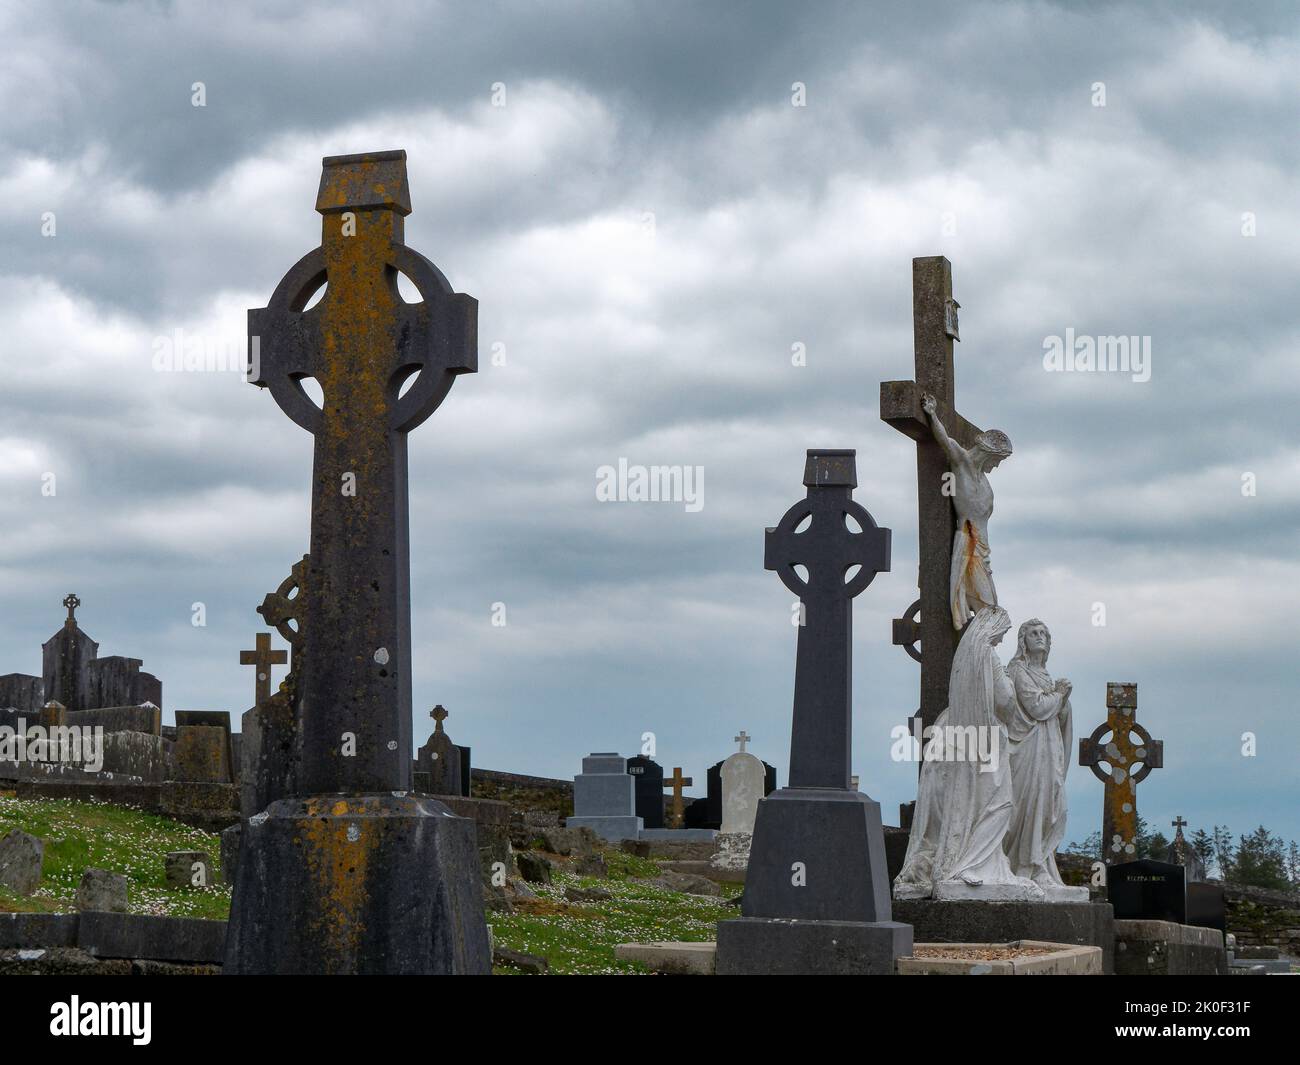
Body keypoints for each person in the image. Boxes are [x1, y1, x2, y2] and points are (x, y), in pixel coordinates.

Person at [894, 606, 1045, 901]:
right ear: (992, 631)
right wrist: (1011, 692)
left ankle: (962, 862)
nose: (1001, 640)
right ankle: (976, 865)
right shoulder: (987, 656)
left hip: (953, 733)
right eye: (1001, 633)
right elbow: (1004, 701)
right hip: (986, 738)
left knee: (962, 802)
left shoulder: (964, 656)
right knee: (998, 804)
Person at [1004, 618, 1088, 901]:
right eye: (1033, 633)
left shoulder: (1046, 675)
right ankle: (1022, 866)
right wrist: (1060, 696)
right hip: (1027, 749)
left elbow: (1056, 712)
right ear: (1022, 641)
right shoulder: (1017, 670)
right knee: (1030, 803)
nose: (1040, 637)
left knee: (1051, 802)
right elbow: (1037, 707)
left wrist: (1063, 703)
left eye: (1044, 634)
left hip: (1049, 748)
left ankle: (1040, 863)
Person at [921, 392, 1012, 629]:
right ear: (988, 453)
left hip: (982, 548)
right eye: (998, 460)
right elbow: (945, 440)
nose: (998, 465)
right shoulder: (961, 463)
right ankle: (975, 653)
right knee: (988, 607)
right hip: (968, 544)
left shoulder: (983, 480)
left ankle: (977, 653)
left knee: (990, 607)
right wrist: (931, 414)